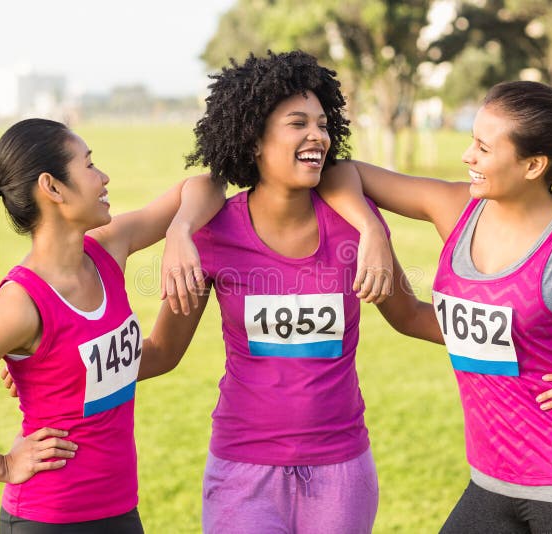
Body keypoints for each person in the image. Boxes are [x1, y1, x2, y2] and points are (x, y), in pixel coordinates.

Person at [318, 80, 552, 532]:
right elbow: (339, 173)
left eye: (483, 148)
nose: (467, 156)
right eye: (472, 141)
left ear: (533, 164)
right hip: (493, 480)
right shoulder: (454, 208)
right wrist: (372, 232)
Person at [142, 50, 441, 534]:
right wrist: (65, 366)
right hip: (243, 472)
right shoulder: (213, 233)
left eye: (323, 125)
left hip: (342, 471)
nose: (317, 137)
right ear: (254, 138)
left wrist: (514, 331)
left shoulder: (355, 229)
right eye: (297, 123)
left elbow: (411, 317)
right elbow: (161, 352)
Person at [0, 118, 223, 533]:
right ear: (52, 187)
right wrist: (3, 466)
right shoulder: (23, 305)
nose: (104, 177)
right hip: (48, 519)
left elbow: (207, 186)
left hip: (120, 512)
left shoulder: (108, 249)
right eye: (89, 165)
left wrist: (181, 230)